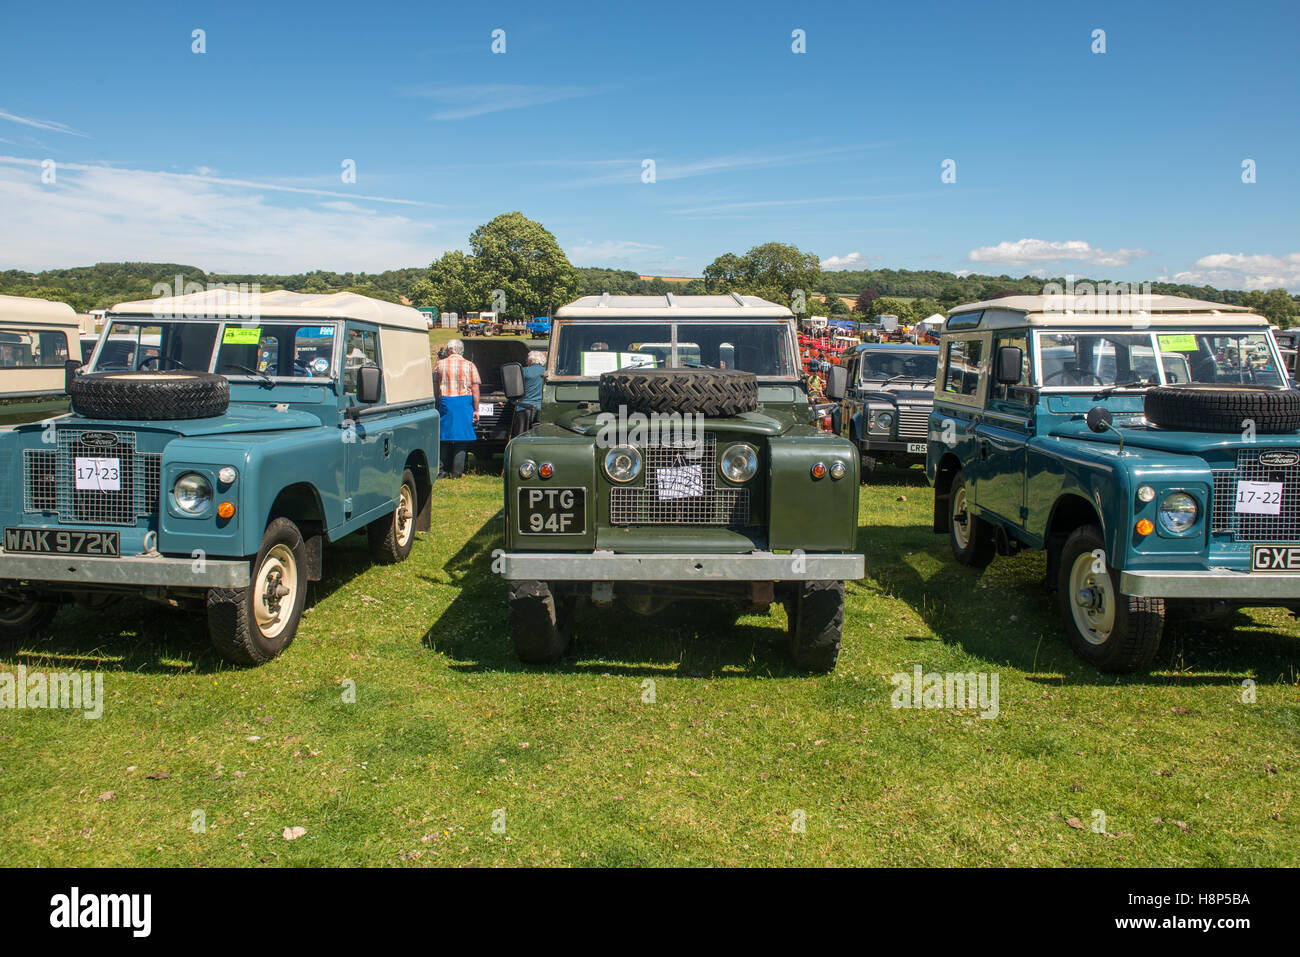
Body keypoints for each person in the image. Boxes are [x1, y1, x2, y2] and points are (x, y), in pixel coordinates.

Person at [433, 339, 481, 478]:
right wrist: (476, 409)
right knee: (461, 438)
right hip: (464, 402)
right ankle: (457, 472)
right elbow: (475, 388)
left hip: (446, 401)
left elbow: (436, 386)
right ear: (461, 350)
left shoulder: (439, 365)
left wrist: (438, 401)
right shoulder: (470, 365)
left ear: (449, 350)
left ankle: (441, 471)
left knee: (443, 437)